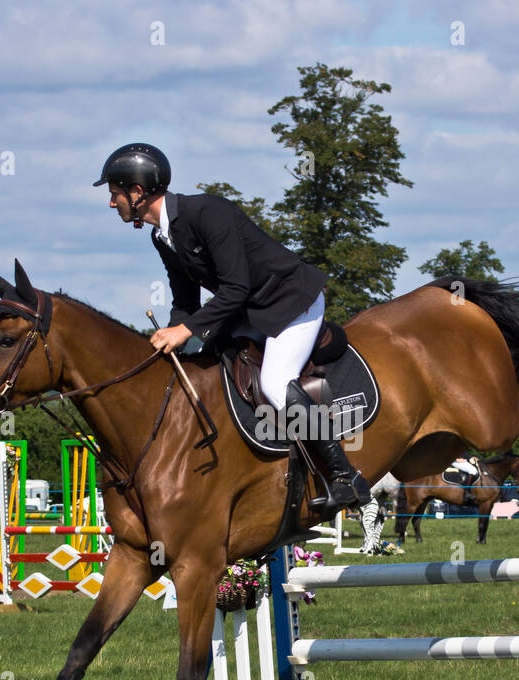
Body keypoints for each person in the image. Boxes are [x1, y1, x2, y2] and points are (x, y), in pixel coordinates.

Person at [95, 142, 369, 510]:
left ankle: (344, 477)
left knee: (274, 384)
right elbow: (186, 302)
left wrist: (186, 331)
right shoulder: (162, 236)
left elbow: (236, 287)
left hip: (292, 303)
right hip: (252, 312)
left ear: (138, 192)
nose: (113, 203)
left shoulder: (209, 212)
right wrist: (173, 338)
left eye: (115, 194)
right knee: (195, 360)